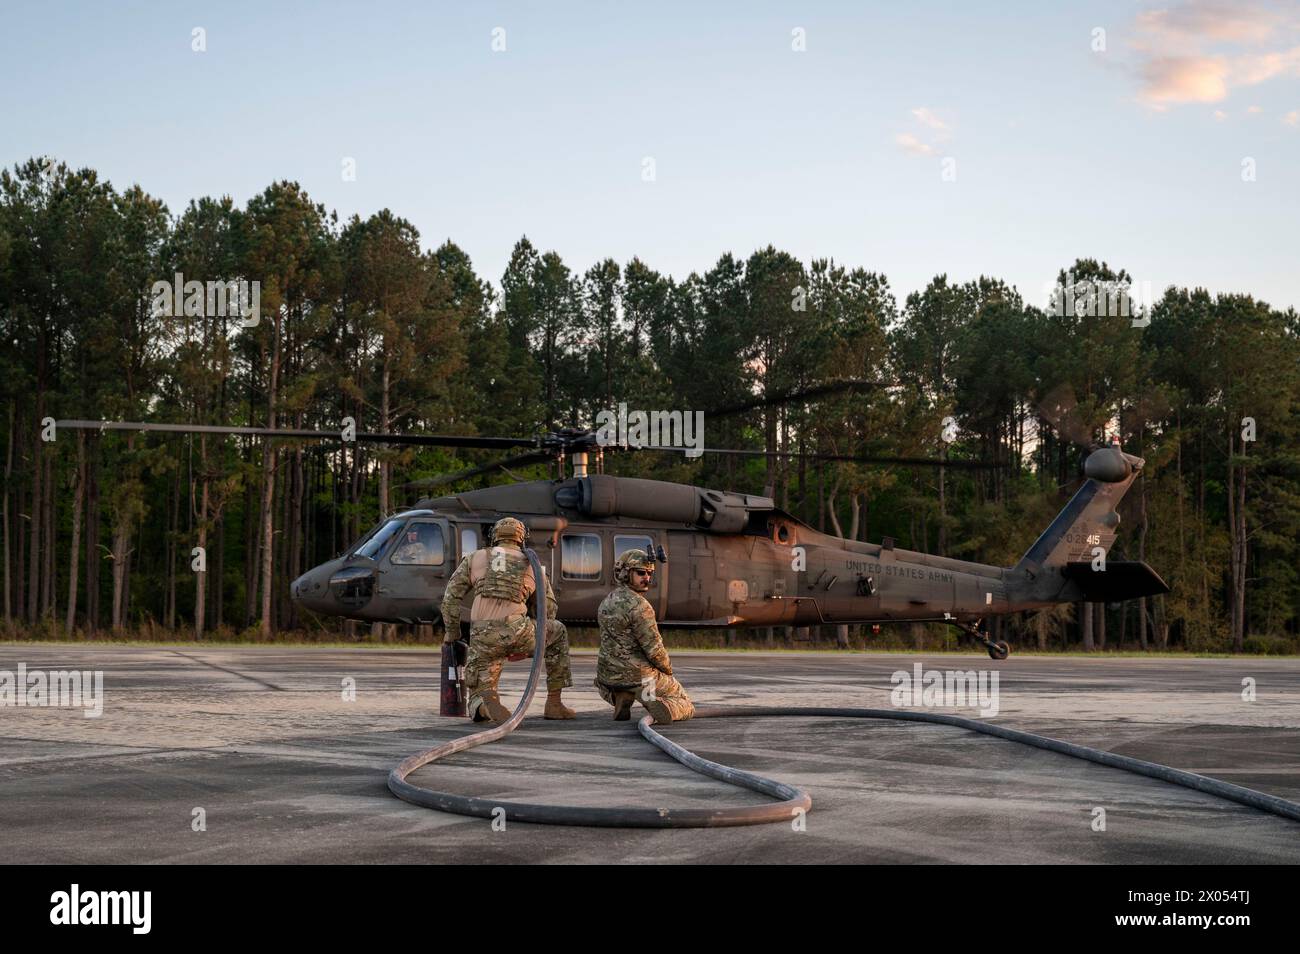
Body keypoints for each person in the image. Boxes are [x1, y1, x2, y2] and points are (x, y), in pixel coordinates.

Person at [440, 517, 575, 722]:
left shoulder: (475, 557)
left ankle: (485, 705)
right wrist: (533, 643)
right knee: (558, 630)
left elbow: (450, 599)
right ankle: (554, 703)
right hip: (518, 630)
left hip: (483, 637)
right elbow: (548, 610)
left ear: (494, 536)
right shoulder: (532, 563)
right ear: (521, 538)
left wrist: (453, 633)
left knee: (476, 695)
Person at [594, 548, 694, 724]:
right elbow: (655, 650)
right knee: (684, 701)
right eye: (641, 573)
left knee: (628, 682)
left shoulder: (606, 602)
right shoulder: (641, 606)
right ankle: (661, 705)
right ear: (625, 573)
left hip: (607, 678)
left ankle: (621, 696)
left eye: (649, 573)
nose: (647, 578)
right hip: (639, 677)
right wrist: (668, 671)